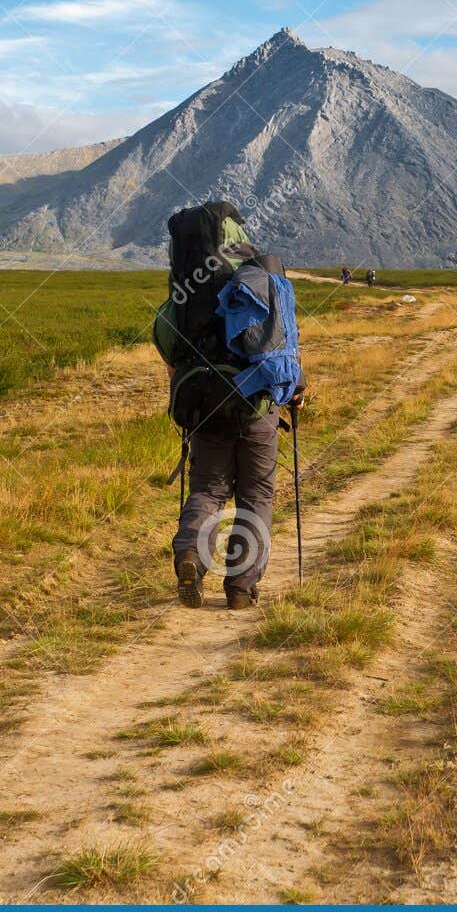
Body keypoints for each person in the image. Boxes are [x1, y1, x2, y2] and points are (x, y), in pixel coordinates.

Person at [153, 202, 306, 611]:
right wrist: (296, 391)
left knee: (208, 488)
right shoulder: (258, 279)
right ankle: (240, 587)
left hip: (204, 408)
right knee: (256, 494)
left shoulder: (181, 296)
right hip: (256, 406)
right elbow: (284, 347)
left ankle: (190, 553)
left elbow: (171, 361)